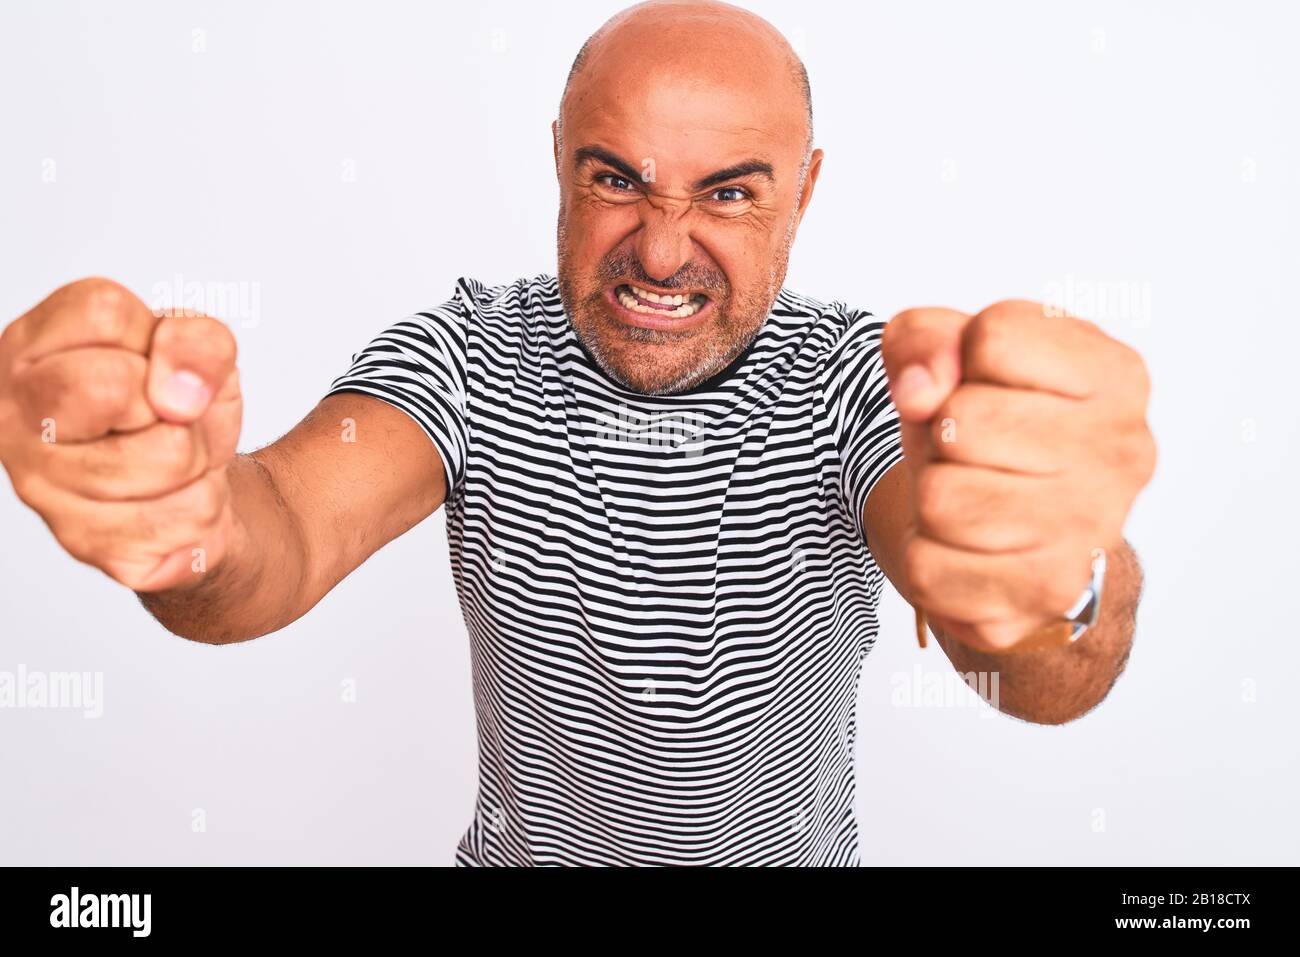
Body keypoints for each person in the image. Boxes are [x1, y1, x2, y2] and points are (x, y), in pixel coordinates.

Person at [0, 0, 1155, 865]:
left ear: (803, 191)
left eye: (728, 192)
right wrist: (188, 524)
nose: (659, 249)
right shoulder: (464, 354)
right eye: (617, 179)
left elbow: (1036, 669)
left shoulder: (857, 382)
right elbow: (282, 534)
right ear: (561, 157)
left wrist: (1061, 581)